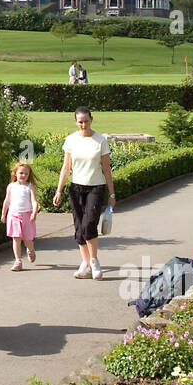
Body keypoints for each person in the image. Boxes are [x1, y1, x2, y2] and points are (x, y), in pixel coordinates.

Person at [51, 106, 115, 279]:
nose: (84, 125)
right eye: (80, 122)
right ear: (75, 122)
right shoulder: (71, 140)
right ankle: (85, 263)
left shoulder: (100, 140)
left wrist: (112, 193)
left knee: (89, 224)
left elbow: (106, 168)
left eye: (86, 121)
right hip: (76, 188)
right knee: (79, 229)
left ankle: (94, 262)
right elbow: (66, 167)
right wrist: (59, 190)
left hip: (95, 187)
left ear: (91, 120)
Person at [1, 161, 39, 271]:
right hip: (13, 215)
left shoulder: (30, 187)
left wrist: (34, 212)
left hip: (27, 215)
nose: (23, 175)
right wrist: (4, 214)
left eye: (26, 174)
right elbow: (7, 201)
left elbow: (34, 201)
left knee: (27, 239)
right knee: (16, 238)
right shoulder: (11, 187)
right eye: (21, 173)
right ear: (15, 174)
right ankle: (18, 261)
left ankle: (30, 250)